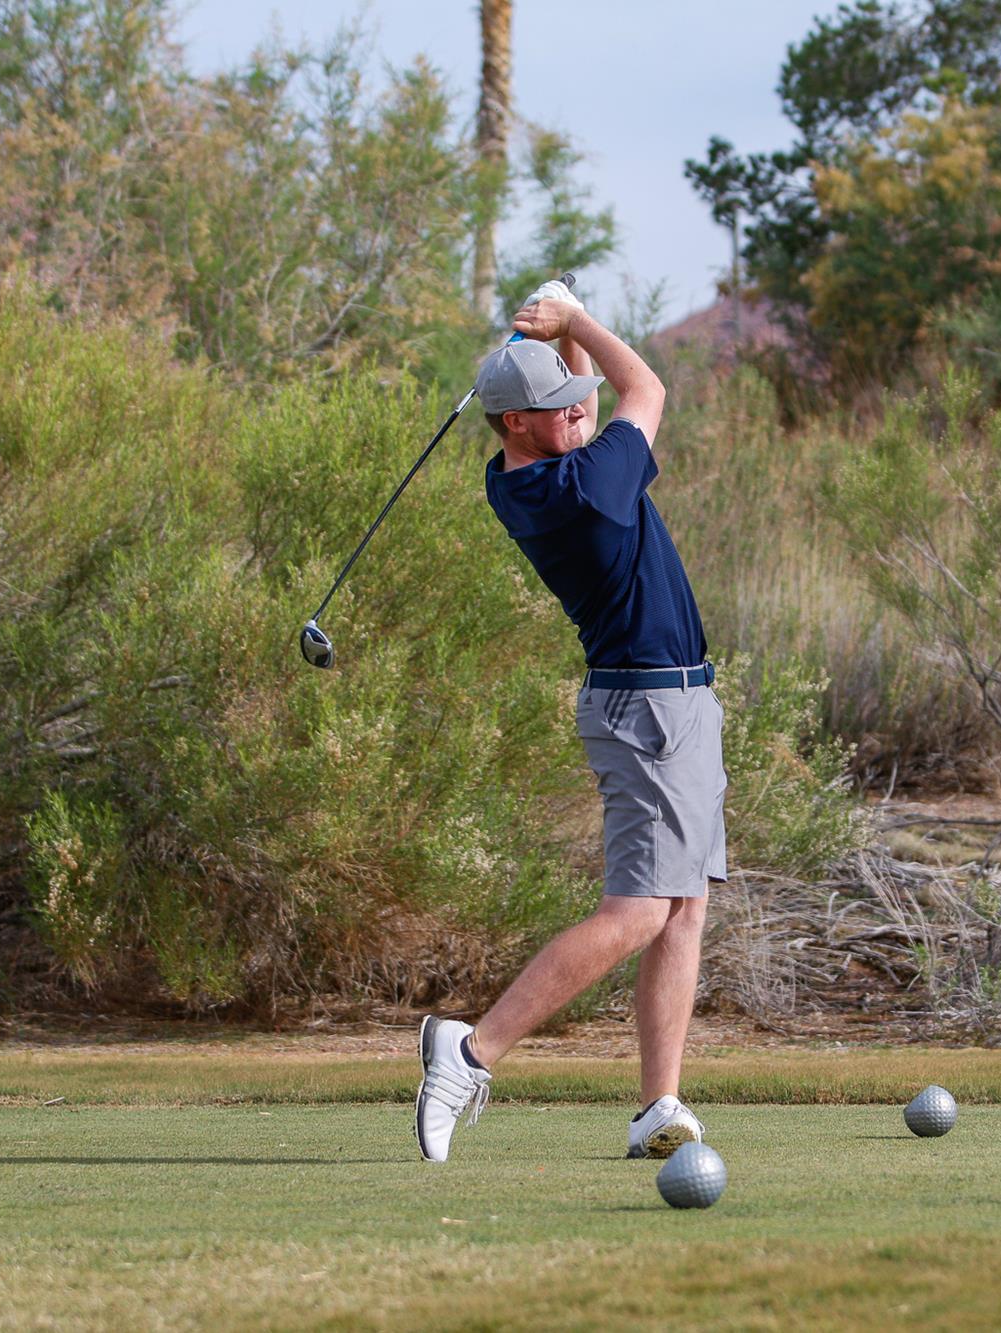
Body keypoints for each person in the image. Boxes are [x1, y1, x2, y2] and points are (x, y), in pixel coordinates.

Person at [414, 280, 726, 1163]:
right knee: (639, 912)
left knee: (684, 908)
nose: (578, 407)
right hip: (650, 711)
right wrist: (577, 319)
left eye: (573, 394)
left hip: (679, 703)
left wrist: (558, 343)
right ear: (516, 423)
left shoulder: (526, 474)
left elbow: (585, 404)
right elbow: (648, 391)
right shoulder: (586, 489)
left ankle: (656, 1106)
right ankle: (469, 1052)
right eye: (556, 404)